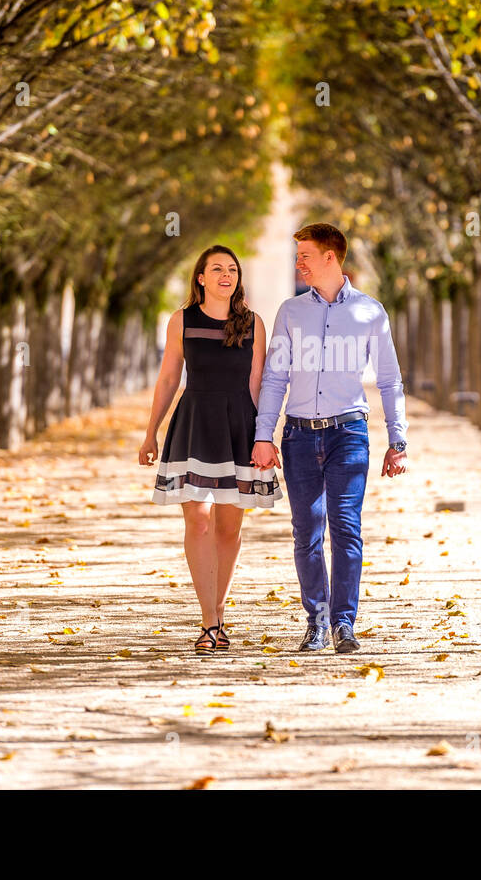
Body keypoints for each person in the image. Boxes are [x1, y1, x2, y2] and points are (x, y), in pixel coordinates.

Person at [251, 223, 408, 655]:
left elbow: (391, 380)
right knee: (307, 531)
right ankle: (316, 622)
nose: (298, 263)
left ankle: (344, 624)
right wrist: (264, 435)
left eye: (305, 255)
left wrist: (398, 440)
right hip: (299, 436)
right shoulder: (290, 312)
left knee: (346, 528)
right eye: (296, 255)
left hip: (349, 432)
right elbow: (275, 377)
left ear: (330, 258)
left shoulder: (370, 312)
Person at [139, 245, 282, 655]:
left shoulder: (253, 323)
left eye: (232, 269)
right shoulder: (181, 320)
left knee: (228, 528)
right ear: (200, 278)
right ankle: (209, 622)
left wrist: (264, 436)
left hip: (239, 425)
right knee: (198, 521)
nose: (226, 275)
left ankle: (218, 615)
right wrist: (151, 432)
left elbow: (259, 384)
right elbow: (168, 378)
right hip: (195, 423)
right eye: (216, 268)